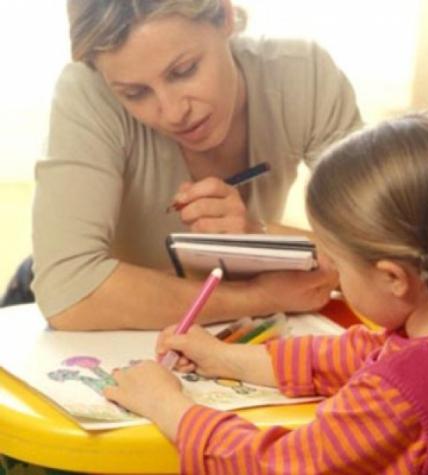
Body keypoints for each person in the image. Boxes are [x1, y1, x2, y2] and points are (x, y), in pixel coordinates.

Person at [104, 113, 428, 474]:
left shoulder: (400, 396)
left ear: (392, 277)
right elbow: (369, 355)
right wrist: (226, 358)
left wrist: (167, 406)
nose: (330, 271)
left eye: (336, 261)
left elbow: (275, 466)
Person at [29, 0, 361, 330]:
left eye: (183, 71)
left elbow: (388, 251)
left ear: (224, 16)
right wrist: (259, 296)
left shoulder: (303, 76)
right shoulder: (87, 92)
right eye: (134, 93)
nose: (173, 113)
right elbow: (69, 293)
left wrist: (257, 233)